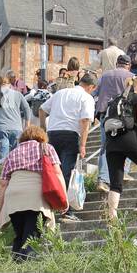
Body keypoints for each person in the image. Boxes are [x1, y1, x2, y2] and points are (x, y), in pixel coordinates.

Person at [0, 124, 61, 261]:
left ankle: (14, 266)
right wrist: (64, 200)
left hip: (13, 198)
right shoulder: (47, 148)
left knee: (19, 236)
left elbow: (3, 184)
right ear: (42, 137)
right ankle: (27, 266)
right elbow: (57, 173)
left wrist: (1, 208)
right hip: (35, 197)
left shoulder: (12, 153)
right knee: (31, 237)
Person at [39, 71, 97, 222]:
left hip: (52, 134)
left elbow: (41, 110)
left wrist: (43, 132)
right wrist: (83, 145)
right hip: (71, 135)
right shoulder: (87, 97)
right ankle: (66, 211)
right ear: (91, 87)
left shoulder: (60, 93)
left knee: (52, 172)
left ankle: (48, 210)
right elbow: (85, 122)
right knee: (67, 173)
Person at [103, 75, 137, 222]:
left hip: (111, 142)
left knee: (115, 183)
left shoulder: (115, 100)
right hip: (129, 138)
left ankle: (112, 217)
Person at [92, 53, 134, 192]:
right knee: (129, 143)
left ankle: (102, 180)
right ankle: (124, 172)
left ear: (117, 63)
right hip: (123, 115)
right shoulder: (131, 76)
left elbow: (95, 93)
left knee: (105, 147)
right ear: (128, 65)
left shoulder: (105, 75)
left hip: (105, 114)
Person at [0, 71, 32, 162]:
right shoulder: (17, 94)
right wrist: (27, 125)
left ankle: (2, 174)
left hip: (1, 129)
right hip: (16, 129)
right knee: (16, 159)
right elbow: (27, 108)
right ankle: (14, 176)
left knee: (3, 159)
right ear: (9, 84)